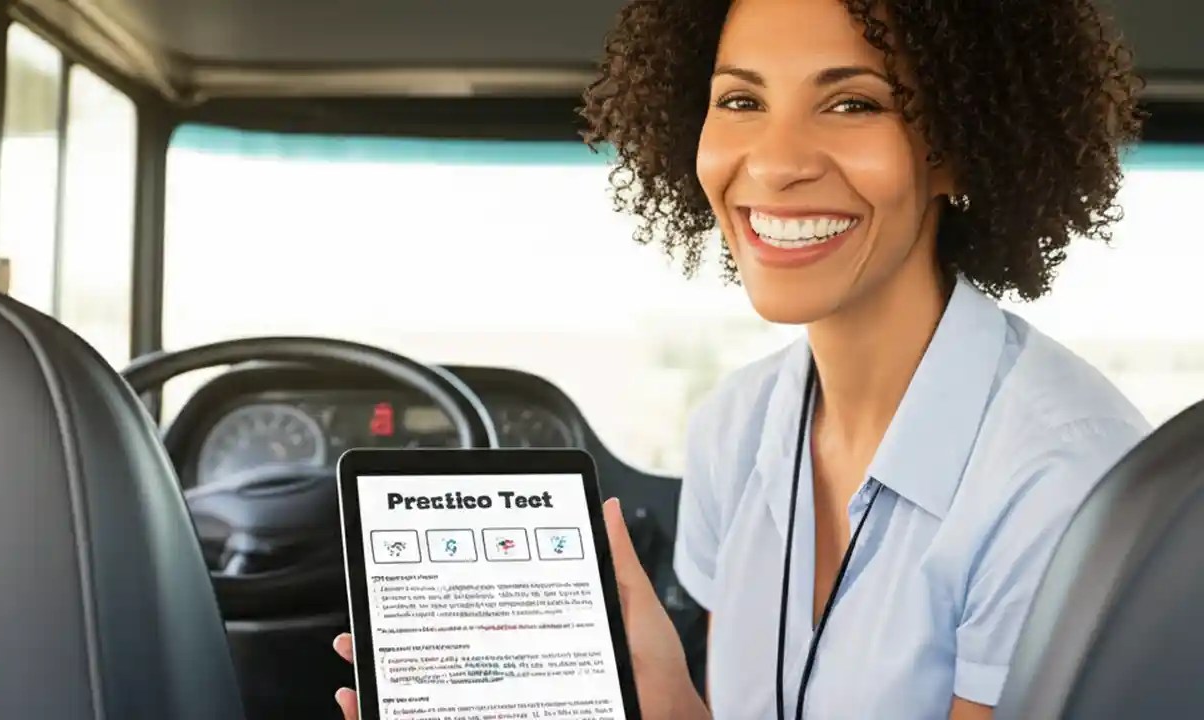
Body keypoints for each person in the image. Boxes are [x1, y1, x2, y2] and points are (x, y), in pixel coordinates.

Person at [334, 0, 1148, 717]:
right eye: (741, 99)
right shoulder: (736, 427)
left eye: (853, 102)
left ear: (961, 147)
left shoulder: (1064, 479)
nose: (775, 160)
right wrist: (668, 700)